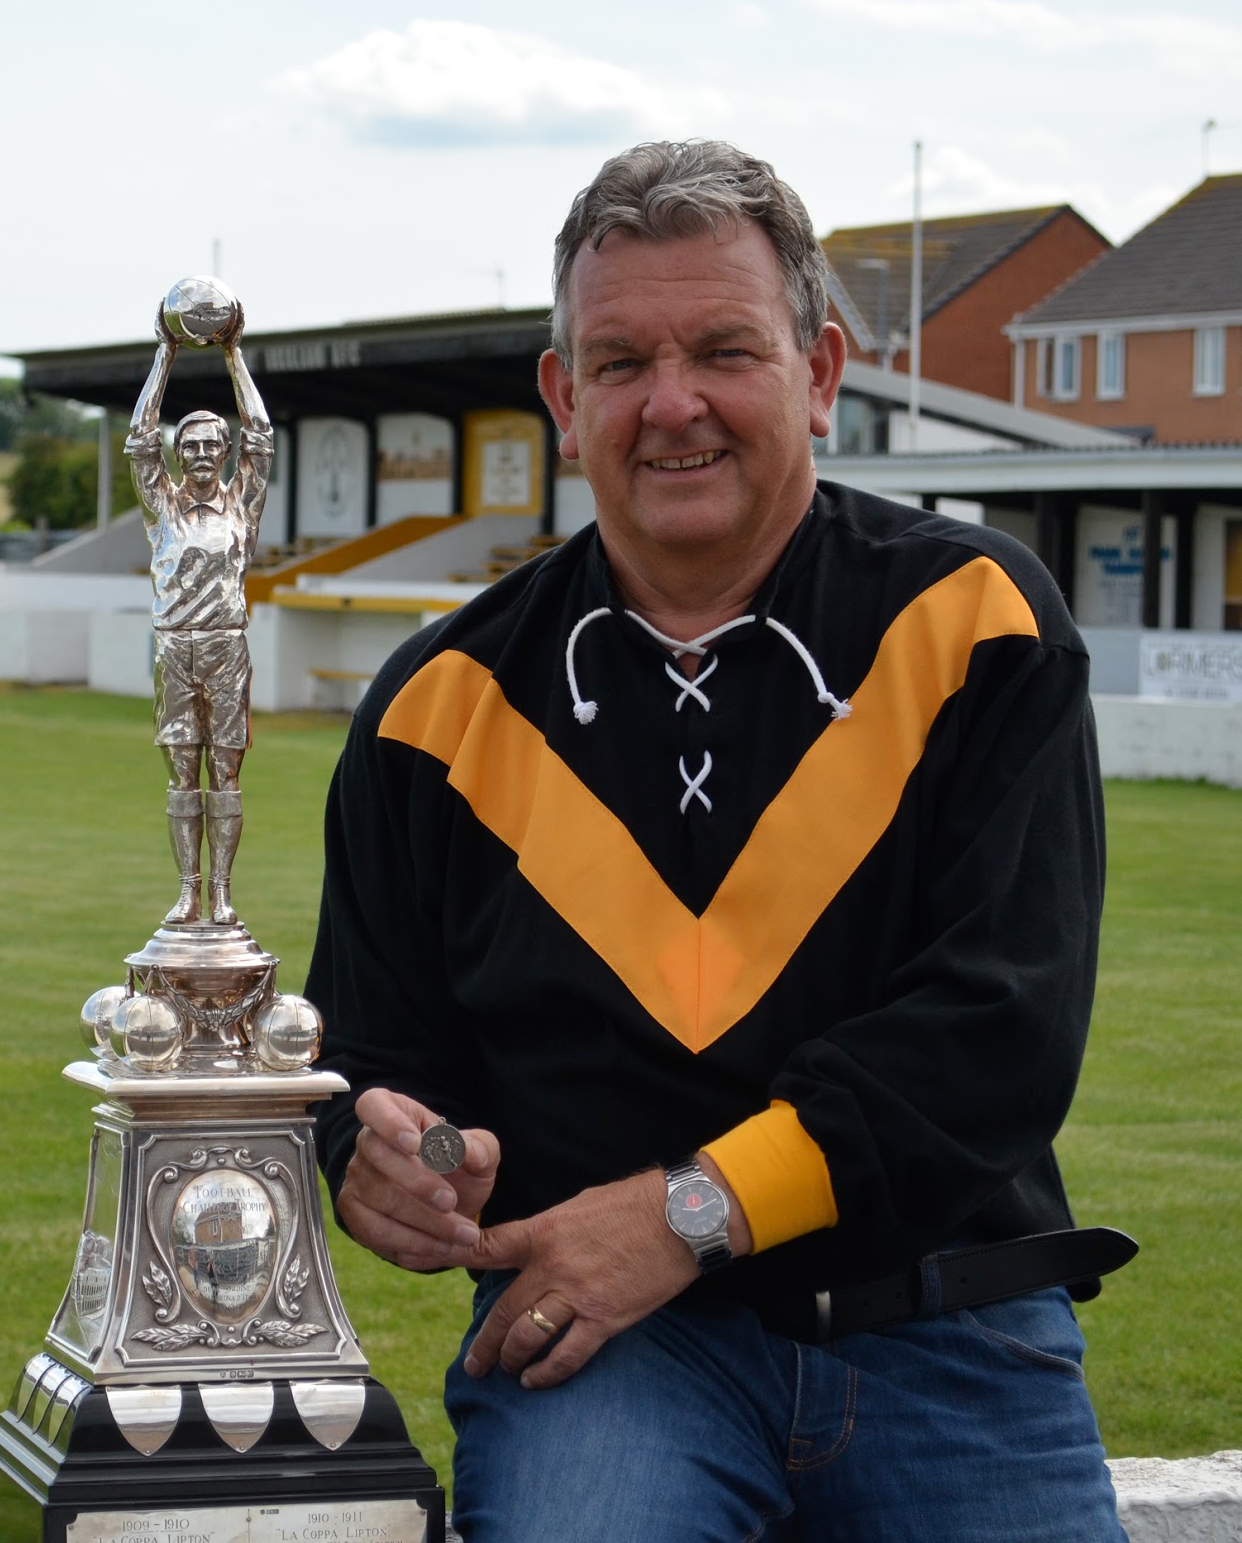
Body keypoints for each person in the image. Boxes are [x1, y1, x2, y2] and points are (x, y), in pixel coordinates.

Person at [307, 140, 1131, 1542]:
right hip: (604, 1364)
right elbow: (371, 1052)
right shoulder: (441, 706)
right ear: (566, 401)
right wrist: (373, 1154)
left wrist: (690, 1214)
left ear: (818, 371)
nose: (670, 403)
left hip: (947, 1327)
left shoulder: (973, 622)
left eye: (723, 351)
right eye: (620, 362)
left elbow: (999, 1031)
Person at [127, 309, 272, 926]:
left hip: (225, 647)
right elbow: (138, 438)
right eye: (193, 445)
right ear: (179, 453)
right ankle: (189, 891)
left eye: (215, 444)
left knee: (228, 771)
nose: (207, 452)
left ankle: (222, 892)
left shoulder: (242, 503)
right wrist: (167, 353)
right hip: (174, 649)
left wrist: (233, 354)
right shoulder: (161, 506)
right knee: (183, 773)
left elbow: (261, 434)